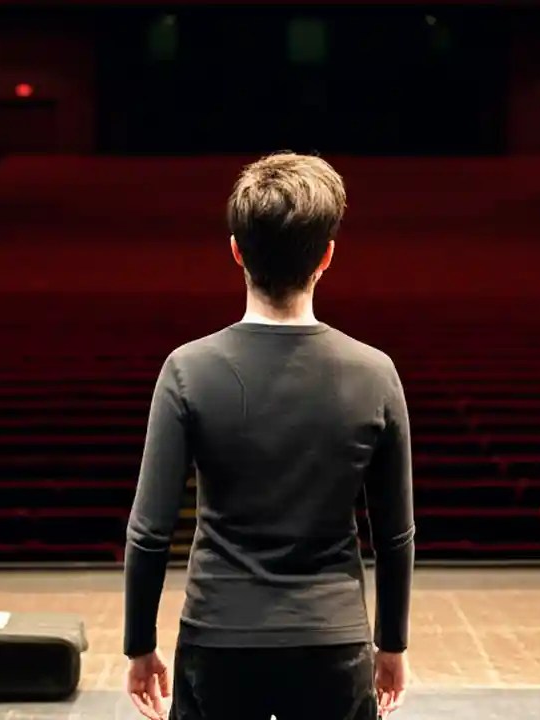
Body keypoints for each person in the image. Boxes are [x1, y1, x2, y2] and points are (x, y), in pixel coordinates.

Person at [123, 152, 415, 720]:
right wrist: (392, 643)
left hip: (218, 637)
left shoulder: (187, 369)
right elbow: (395, 533)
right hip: (332, 639)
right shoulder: (375, 372)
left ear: (236, 250)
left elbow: (149, 533)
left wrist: (139, 645)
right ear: (327, 256)